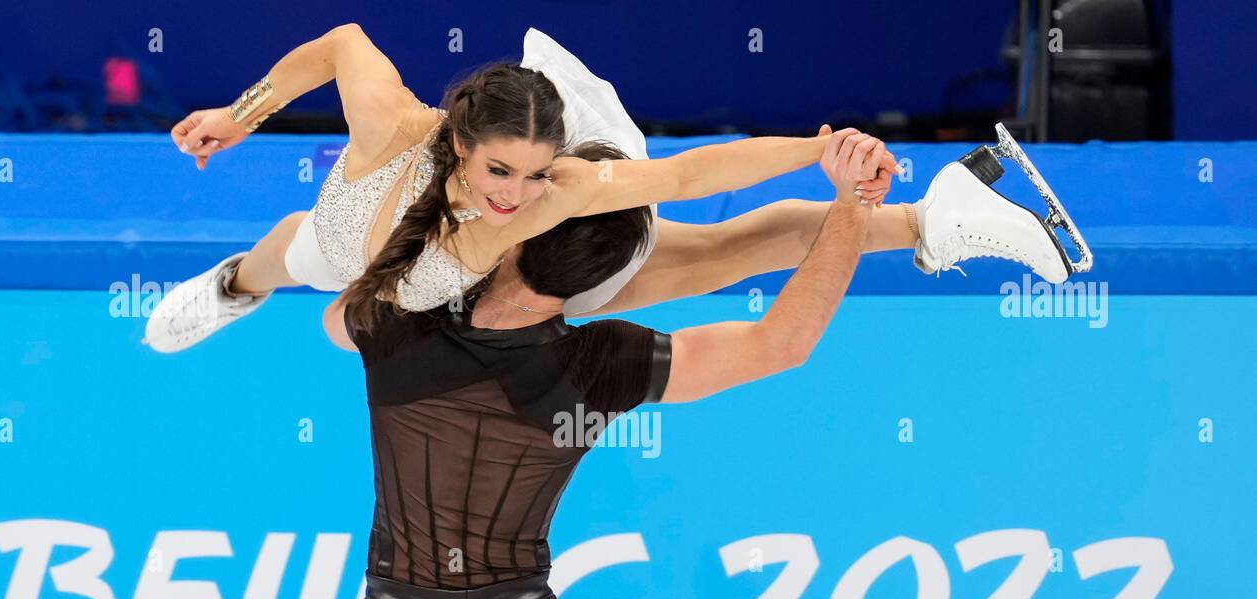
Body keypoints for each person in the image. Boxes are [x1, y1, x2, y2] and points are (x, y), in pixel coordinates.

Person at [263, 127, 885, 599]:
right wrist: (851, 202)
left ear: (521, 228)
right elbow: (783, 342)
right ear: (610, 276)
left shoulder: (396, 322)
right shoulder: (602, 360)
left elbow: (331, 318)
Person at [143, 25, 1070, 354]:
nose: (514, 194)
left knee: (716, 252)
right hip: (354, 240)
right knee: (288, 259)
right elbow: (338, 42)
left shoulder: (553, 195)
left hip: (468, 305)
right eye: (498, 170)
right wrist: (242, 110)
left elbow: (691, 172)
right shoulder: (388, 126)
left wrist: (820, 148)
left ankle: (932, 217)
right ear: (460, 140)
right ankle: (230, 290)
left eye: (534, 175)